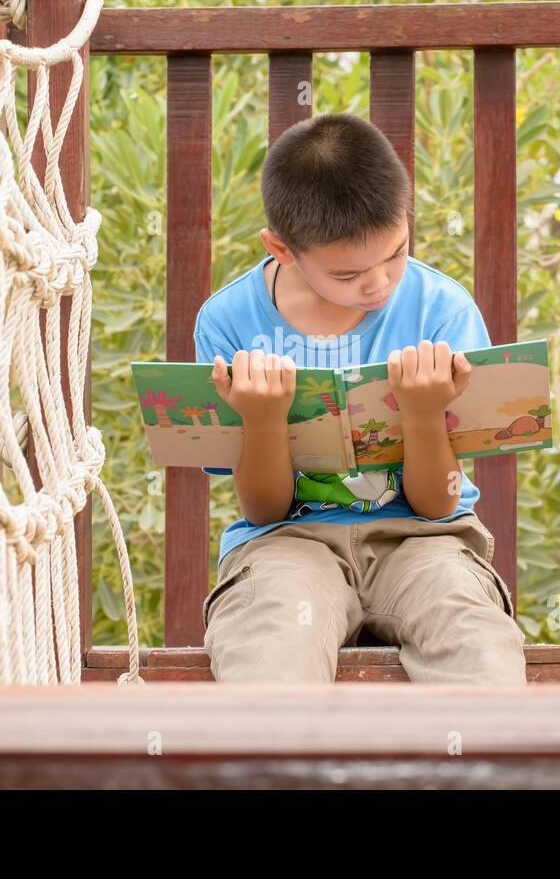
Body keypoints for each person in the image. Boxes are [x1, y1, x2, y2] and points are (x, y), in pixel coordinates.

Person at [194, 112, 527, 684]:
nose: (379, 284)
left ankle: (477, 764)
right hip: (288, 542)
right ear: (282, 249)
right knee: (273, 635)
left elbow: (439, 504)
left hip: (423, 540)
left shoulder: (440, 310)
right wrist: (263, 421)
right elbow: (264, 511)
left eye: (396, 253)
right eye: (348, 275)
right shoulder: (229, 322)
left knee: (471, 633)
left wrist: (424, 416)